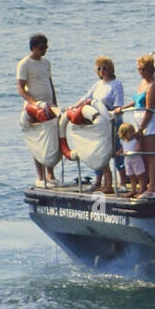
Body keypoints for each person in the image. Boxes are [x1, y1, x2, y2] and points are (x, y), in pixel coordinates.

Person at [68, 56, 125, 193]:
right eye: (99, 69)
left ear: (110, 69)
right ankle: (98, 181)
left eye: (104, 68)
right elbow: (86, 98)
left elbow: (118, 104)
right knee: (98, 151)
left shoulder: (116, 84)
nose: (102, 71)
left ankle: (123, 182)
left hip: (112, 122)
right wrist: (73, 107)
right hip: (98, 124)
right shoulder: (97, 85)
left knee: (116, 151)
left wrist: (114, 111)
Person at [17, 33, 59, 187]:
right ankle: (40, 177)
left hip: (49, 106)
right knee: (38, 140)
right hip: (35, 108)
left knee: (51, 140)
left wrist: (54, 103)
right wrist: (34, 104)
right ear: (34, 47)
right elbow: (21, 89)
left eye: (46, 47)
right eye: (41, 47)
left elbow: (50, 83)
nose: (44, 50)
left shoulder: (46, 63)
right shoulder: (25, 64)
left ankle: (51, 175)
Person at [118, 55, 155, 198]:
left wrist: (141, 129)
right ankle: (141, 187)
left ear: (150, 69)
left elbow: (149, 109)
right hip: (139, 119)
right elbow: (136, 101)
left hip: (149, 122)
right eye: (139, 69)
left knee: (150, 155)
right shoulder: (142, 83)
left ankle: (152, 188)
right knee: (140, 154)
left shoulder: (153, 86)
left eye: (144, 69)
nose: (141, 72)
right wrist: (122, 108)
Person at [117, 123, 145, 198]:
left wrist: (136, 149)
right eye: (130, 132)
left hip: (136, 159)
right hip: (128, 160)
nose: (132, 134)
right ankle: (133, 190)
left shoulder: (135, 140)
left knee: (139, 175)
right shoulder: (123, 141)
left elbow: (138, 148)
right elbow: (122, 148)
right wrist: (119, 152)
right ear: (124, 134)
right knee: (131, 176)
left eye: (133, 131)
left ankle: (142, 188)